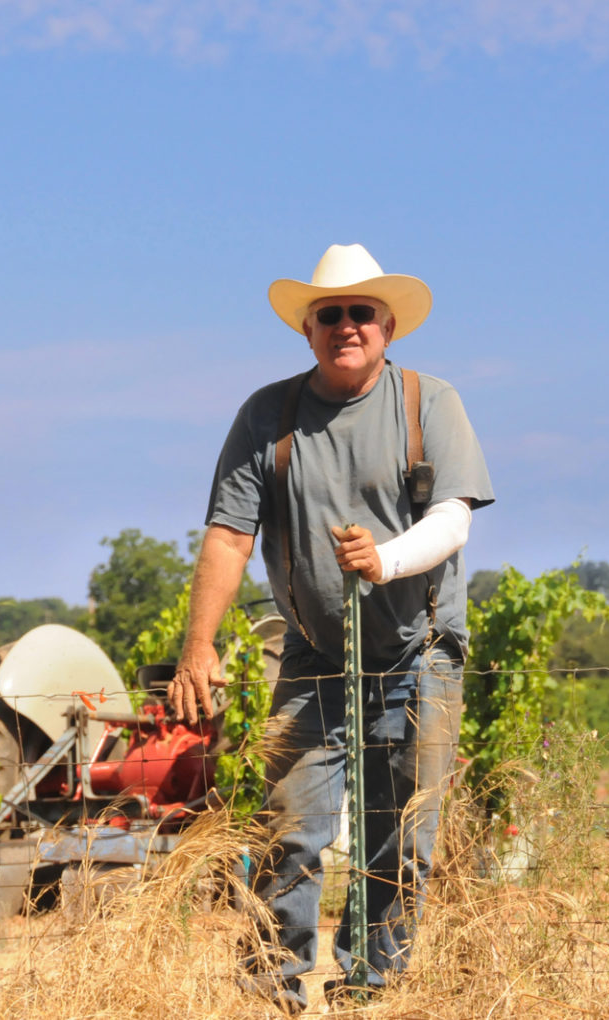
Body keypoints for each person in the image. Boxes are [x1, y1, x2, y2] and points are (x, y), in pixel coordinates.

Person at [169, 242, 494, 1013]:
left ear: (388, 326)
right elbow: (227, 535)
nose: (347, 326)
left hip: (420, 651)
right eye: (330, 315)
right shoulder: (267, 417)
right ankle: (274, 991)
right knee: (292, 825)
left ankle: (368, 990)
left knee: (401, 834)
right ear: (308, 330)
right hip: (313, 650)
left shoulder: (429, 402)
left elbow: (452, 521)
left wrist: (385, 560)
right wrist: (199, 643)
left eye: (360, 314)